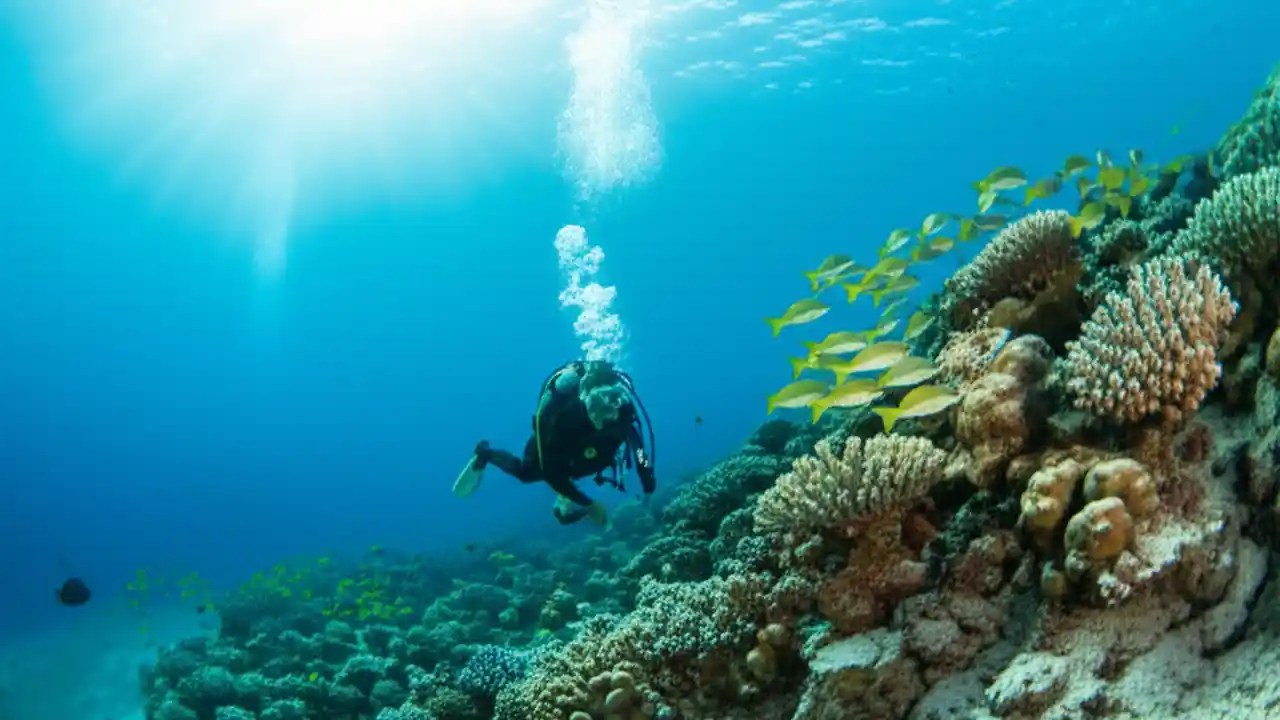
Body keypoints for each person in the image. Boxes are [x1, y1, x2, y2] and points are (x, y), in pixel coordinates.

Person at [472, 359, 656, 525]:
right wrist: (590, 505)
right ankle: (485, 453)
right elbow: (551, 473)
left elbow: (640, 452)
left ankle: (567, 494)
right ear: (584, 398)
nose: (603, 416)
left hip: (590, 454)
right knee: (527, 474)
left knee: (596, 458)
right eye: (595, 406)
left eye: (610, 407)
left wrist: (648, 484)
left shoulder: (621, 411)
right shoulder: (562, 417)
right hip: (558, 449)